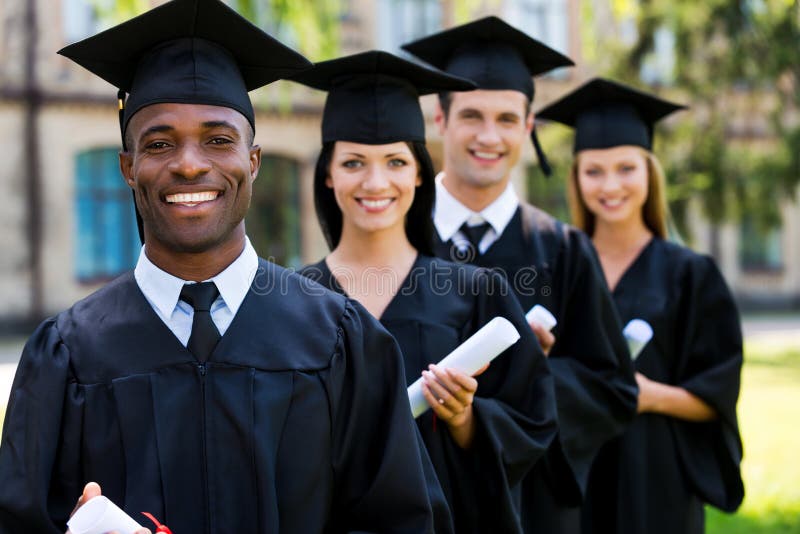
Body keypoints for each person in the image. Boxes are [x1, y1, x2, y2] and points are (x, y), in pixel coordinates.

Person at [0, 1, 443, 532]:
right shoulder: (66, 355)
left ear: (252, 161)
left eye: (218, 140)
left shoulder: (341, 340)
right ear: (128, 167)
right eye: (160, 143)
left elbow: (400, 519)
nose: (189, 163)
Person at [292, 50, 558, 533]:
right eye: (353, 162)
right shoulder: (293, 302)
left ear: (418, 171)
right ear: (328, 174)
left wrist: (465, 419)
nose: (376, 182)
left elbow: (534, 421)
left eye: (395, 161)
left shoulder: (478, 291)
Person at [402, 17, 639, 532]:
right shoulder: (395, 240)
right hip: (420, 499)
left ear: (528, 127)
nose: (490, 136)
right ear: (439, 120)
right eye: (472, 116)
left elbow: (613, 389)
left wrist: (530, 373)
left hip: (535, 508)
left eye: (507, 119)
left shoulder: (564, 250)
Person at [537, 77, 745, 533]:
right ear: (576, 177)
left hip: (656, 474)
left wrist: (649, 397)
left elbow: (718, 392)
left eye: (626, 168)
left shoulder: (690, 273)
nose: (610, 185)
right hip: (573, 471)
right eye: (594, 171)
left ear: (649, 172)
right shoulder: (555, 266)